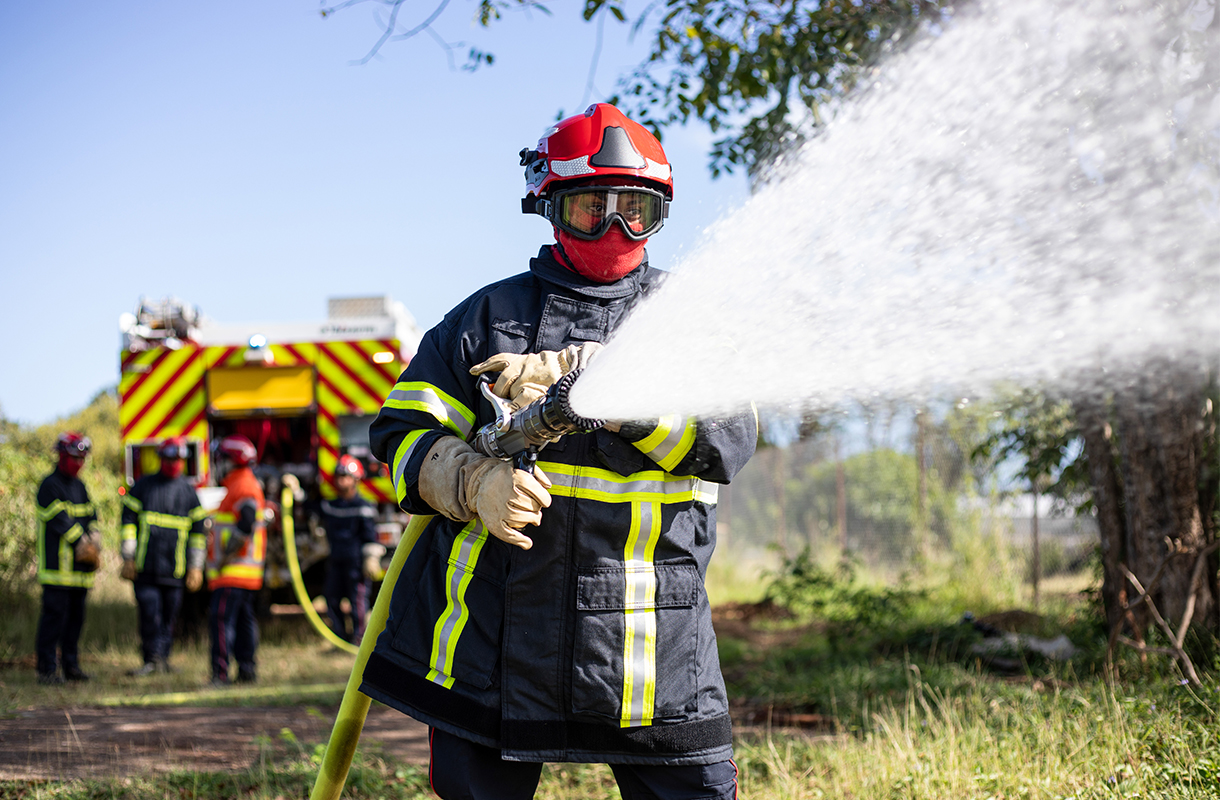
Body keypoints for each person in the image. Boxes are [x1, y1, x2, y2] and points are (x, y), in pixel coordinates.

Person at [361, 103, 757, 800]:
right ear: (548, 205)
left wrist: (608, 387)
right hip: (488, 644)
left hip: (653, 653)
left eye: (635, 209)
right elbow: (398, 433)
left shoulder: (692, 325)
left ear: (660, 213)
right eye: (589, 209)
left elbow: (730, 437)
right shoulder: (484, 322)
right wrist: (469, 483)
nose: (613, 228)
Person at [119, 436, 207, 676]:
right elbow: (128, 521)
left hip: (175, 570)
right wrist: (128, 556)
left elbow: (198, 533)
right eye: (169, 458)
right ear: (161, 459)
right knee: (149, 614)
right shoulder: (143, 487)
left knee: (169, 618)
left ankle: (163, 660)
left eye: (177, 459)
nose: (173, 463)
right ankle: (151, 659)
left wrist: (196, 567)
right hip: (145, 568)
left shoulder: (188, 493)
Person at [34, 432, 102, 685]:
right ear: (62, 456)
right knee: (53, 621)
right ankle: (47, 670)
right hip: (57, 571)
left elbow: (91, 514)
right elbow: (60, 520)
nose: (79, 463)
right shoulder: (49, 485)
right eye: (75, 457)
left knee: (75, 622)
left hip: (80, 573)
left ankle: (71, 666)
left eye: (82, 458)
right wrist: (82, 542)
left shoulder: (80, 486)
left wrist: (95, 536)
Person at [206, 435, 267, 686]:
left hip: (232, 571)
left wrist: (226, 556)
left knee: (220, 620)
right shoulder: (240, 483)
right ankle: (247, 670)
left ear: (232, 461)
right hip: (244, 574)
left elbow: (246, 521)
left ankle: (220, 674)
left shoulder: (242, 485)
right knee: (243, 621)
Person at [316, 454, 383, 643]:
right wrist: (296, 493)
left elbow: (370, 535)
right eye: (338, 476)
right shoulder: (331, 505)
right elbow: (311, 508)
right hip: (336, 560)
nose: (340, 480)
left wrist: (371, 558)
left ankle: (358, 639)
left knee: (357, 602)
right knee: (331, 599)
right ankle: (339, 637)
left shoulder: (364, 506)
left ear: (355, 480)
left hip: (356, 562)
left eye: (344, 476)